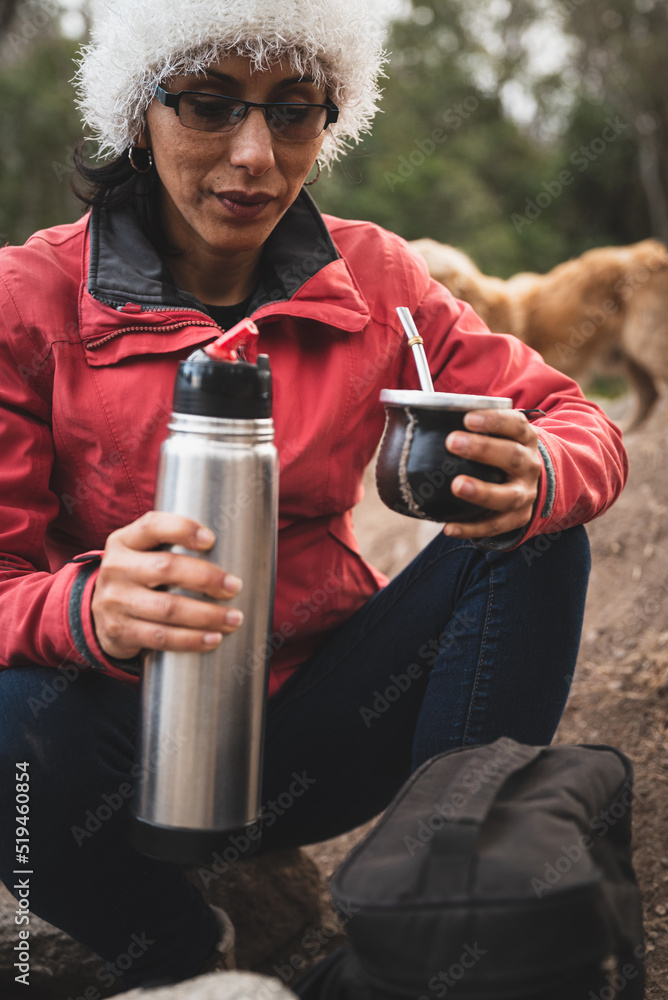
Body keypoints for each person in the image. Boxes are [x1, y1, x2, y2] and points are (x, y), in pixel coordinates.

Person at [0, 0, 627, 990]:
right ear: (136, 110)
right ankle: (177, 958)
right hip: (114, 753)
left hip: (322, 725)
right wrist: (84, 606)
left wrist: (541, 467)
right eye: (208, 105)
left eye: (293, 111)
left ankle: (440, 911)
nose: (254, 154)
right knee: (9, 705)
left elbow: (566, 414)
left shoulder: (371, 277)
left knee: (532, 531)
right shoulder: (29, 300)